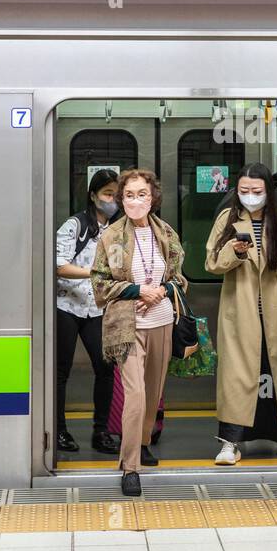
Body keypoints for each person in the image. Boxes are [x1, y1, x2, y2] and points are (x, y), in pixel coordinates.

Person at [90, 168, 187, 496]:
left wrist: (161, 289)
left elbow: (178, 277)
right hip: (126, 328)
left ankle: (142, 442)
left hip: (162, 322)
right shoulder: (111, 237)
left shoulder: (166, 234)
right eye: (128, 195)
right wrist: (138, 292)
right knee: (135, 395)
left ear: (153, 197)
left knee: (153, 393)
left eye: (141, 194)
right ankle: (130, 466)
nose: (135, 201)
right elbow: (100, 284)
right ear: (121, 199)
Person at [205, 162, 277, 466]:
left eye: (256, 191)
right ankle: (230, 442)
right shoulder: (227, 220)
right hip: (240, 313)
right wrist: (236, 251)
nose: (250, 196)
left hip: (276, 312)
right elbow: (212, 264)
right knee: (237, 377)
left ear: (268, 191)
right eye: (244, 190)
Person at [53, 169, 121, 455]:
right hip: (67, 305)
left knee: (105, 368)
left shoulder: (119, 230)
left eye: (116, 195)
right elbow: (59, 266)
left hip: (98, 308)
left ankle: (101, 430)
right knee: (60, 372)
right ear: (93, 196)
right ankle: (58, 430)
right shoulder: (75, 225)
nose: (112, 200)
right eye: (107, 194)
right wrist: (95, 273)